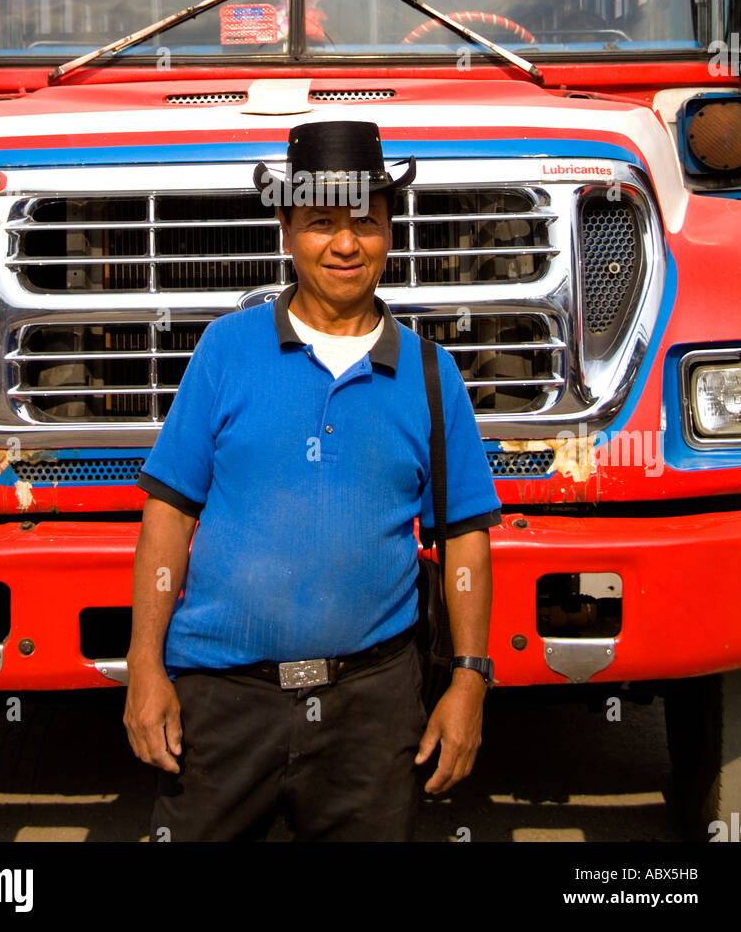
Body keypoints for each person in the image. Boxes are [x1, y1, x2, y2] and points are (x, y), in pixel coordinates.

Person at [124, 119, 501, 841]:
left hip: (373, 708)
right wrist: (144, 668)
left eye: (366, 222)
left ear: (391, 231)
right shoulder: (224, 351)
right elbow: (168, 517)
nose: (346, 244)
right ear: (286, 231)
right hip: (223, 703)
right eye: (321, 223)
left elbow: (465, 542)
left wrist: (469, 681)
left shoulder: (431, 373)